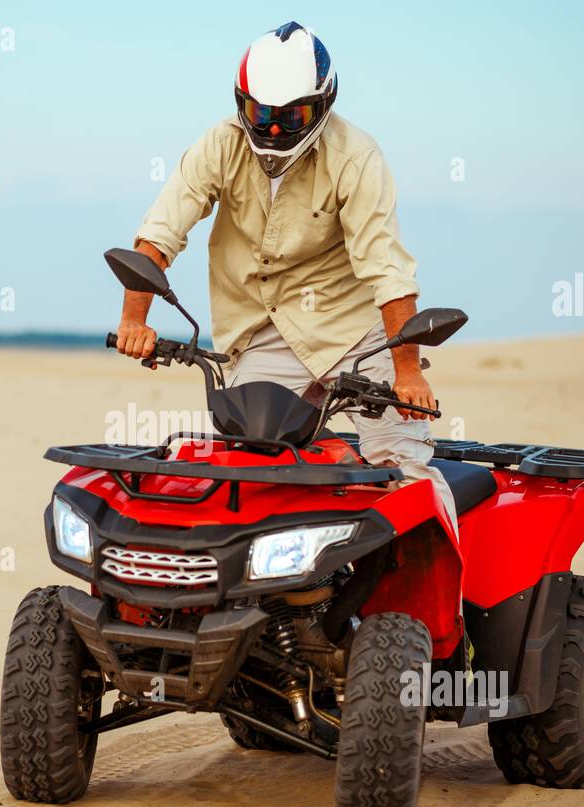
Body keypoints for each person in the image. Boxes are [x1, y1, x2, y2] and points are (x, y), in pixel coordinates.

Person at [113, 21, 457, 531]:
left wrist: (407, 370)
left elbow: (387, 268)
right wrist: (133, 321)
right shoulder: (220, 145)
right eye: (261, 112)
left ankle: (440, 603)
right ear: (242, 102)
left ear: (322, 106)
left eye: (291, 115)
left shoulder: (356, 156)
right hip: (260, 335)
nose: (273, 128)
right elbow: (161, 233)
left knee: (402, 470)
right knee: (249, 476)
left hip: (353, 334)